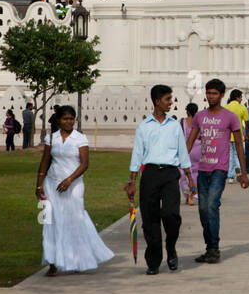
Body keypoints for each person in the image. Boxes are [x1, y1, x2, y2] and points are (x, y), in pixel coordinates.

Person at [126, 85, 196, 275]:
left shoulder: (174, 126)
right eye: (167, 99)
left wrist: (189, 178)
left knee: (171, 215)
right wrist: (132, 181)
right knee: (150, 219)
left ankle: (171, 248)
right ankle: (153, 260)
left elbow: (182, 152)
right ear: (157, 101)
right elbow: (137, 154)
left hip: (170, 174)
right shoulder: (143, 126)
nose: (171, 103)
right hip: (150, 174)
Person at [36, 105, 114, 276]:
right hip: (52, 184)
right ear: (58, 120)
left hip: (74, 186)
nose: (69, 122)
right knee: (51, 221)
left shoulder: (80, 138)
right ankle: (53, 262)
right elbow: (45, 161)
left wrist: (70, 180)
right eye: (65, 119)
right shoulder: (52, 138)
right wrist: (39, 184)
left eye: (71, 119)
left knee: (75, 220)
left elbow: (85, 164)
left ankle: (79, 258)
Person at [186, 78, 249, 264]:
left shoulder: (230, 117)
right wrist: (179, 164)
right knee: (203, 209)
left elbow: (239, 144)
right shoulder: (199, 116)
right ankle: (209, 247)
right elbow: (190, 141)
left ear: (222, 95)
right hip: (202, 169)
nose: (210, 96)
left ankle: (214, 248)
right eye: (208, 93)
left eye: (214, 93)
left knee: (212, 205)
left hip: (219, 169)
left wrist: (243, 173)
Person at [224, 89, 249, 182]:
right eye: (241, 97)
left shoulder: (225, 107)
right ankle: (239, 172)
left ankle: (230, 176)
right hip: (238, 136)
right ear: (237, 97)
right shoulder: (242, 108)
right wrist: (247, 134)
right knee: (239, 155)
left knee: (230, 156)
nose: (241, 99)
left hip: (227, 136)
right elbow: (247, 123)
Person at [180, 103, 202, 205]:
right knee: (196, 174)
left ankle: (188, 194)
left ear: (187, 111)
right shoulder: (199, 122)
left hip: (186, 149)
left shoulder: (182, 122)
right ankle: (193, 193)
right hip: (197, 149)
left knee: (184, 175)